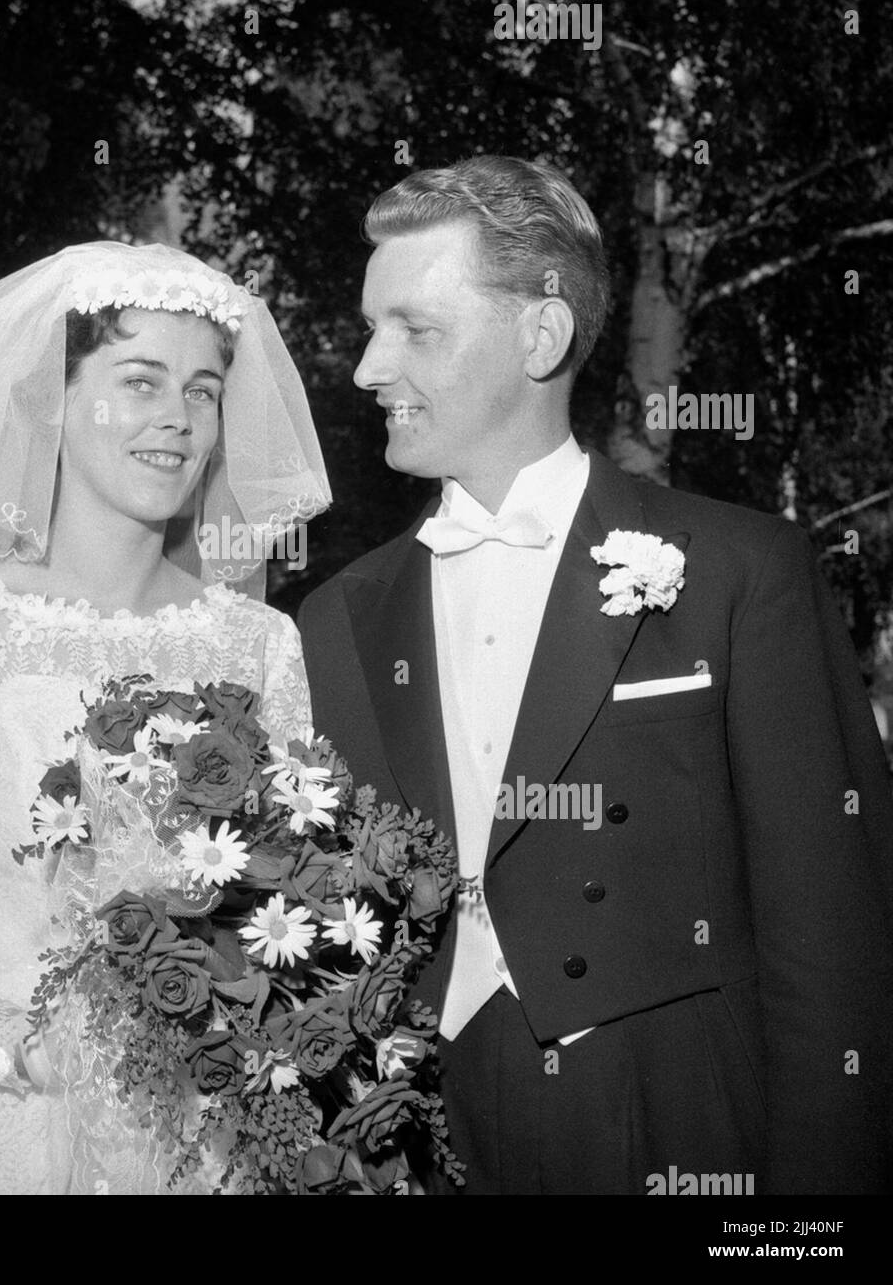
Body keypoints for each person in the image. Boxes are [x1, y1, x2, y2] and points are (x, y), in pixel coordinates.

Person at [297, 155, 893, 1195]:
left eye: (412, 328)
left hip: (673, 1131)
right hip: (418, 1147)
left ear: (540, 333)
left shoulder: (739, 571)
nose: (365, 369)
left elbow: (834, 944)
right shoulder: (336, 619)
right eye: (368, 327)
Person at [0, 241, 329, 1194]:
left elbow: (296, 914)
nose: (177, 417)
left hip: (206, 1139)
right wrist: (17, 1044)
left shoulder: (261, 645)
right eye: (139, 380)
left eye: (204, 390)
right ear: (55, 398)